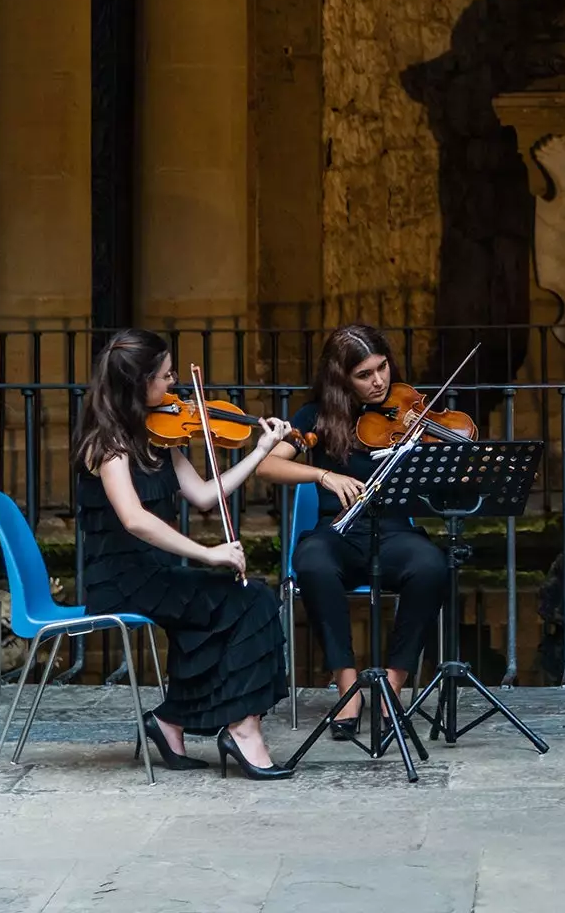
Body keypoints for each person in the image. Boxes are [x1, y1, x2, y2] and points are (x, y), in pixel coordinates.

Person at [74, 329, 292, 777]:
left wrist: (260, 451)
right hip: (121, 580)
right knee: (248, 600)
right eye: (166, 376)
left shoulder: (159, 435)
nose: (174, 386)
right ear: (139, 385)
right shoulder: (108, 445)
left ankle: (172, 719)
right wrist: (207, 553)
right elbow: (134, 519)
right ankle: (242, 728)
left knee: (244, 597)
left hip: (156, 572)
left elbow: (206, 495)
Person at [257, 325, 447, 736]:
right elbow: (267, 465)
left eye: (383, 368)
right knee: (312, 562)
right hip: (338, 532)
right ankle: (347, 687)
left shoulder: (409, 413)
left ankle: (392, 687)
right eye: (365, 374)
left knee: (431, 566)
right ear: (342, 378)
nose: (379, 381)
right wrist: (324, 475)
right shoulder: (316, 417)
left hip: (395, 532)